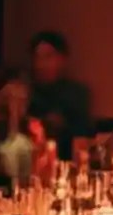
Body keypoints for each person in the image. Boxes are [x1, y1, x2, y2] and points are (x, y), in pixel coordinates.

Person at [26, 31, 92, 159]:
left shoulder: (76, 94)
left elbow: (83, 137)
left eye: (48, 57)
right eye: (37, 58)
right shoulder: (27, 93)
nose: (41, 64)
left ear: (62, 59)